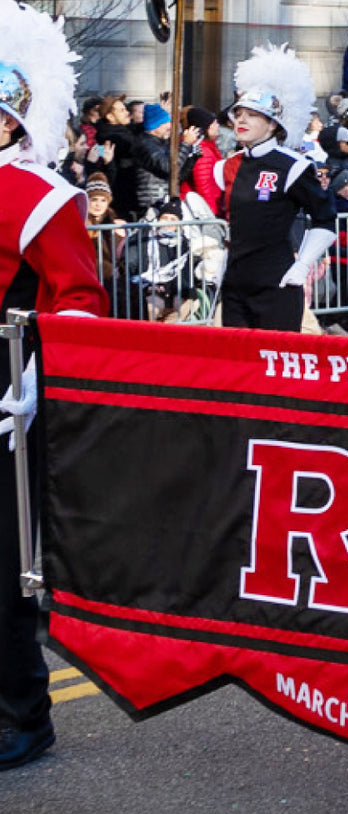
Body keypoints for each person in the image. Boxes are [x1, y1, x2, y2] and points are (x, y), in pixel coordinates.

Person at [0, 0, 109, 770]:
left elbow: (80, 299)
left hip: (9, 391)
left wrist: (35, 377)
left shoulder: (40, 194)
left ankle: (22, 714)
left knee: (3, 566)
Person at [216, 44, 336, 332]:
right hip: (235, 283)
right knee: (236, 366)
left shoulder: (293, 165)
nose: (241, 120)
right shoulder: (226, 166)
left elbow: (326, 218)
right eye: (238, 113)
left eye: (252, 114)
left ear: (272, 124)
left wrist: (302, 266)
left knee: (274, 366)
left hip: (277, 282)